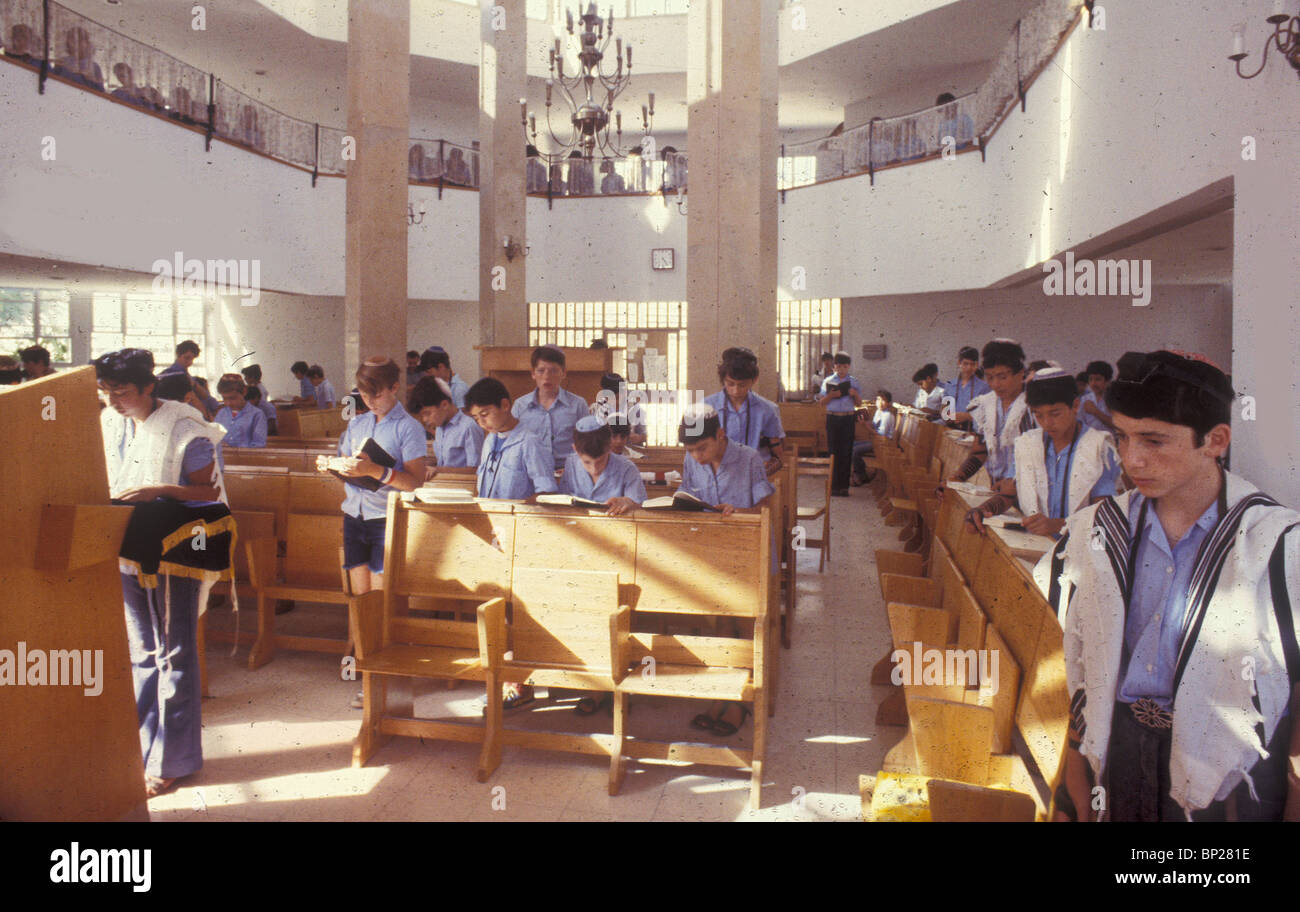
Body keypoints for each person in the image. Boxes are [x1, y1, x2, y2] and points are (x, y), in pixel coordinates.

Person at [1039, 351, 1300, 822]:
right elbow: (1077, 659)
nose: (1131, 458)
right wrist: (1072, 766)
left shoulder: (1275, 542)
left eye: (1154, 440)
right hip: (1118, 745)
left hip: (1228, 770)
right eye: (1122, 436)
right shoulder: (1097, 529)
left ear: (1215, 440)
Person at [94, 348, 230, 798]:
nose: (113, 400)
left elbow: (206, 491)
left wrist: (156, 489)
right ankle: (140, 750)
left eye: (122, 391)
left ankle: (172, 761)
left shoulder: (185, 427)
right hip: (130, 542)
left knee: (173, 650)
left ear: (149, 387)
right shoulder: (110, 422)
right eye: (107, 391)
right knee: (142, 651)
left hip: (181, 541)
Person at [326, 357, 428, 706]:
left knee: (382, 602)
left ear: (394, 388)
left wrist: (377, 471)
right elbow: (345, 460)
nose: (370, 401)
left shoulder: (408, 427)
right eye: (364, 394)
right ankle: (367, 670)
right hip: (354, 515)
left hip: (387, 518)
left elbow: (414, 481)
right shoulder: (358, 424)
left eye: (377, 394)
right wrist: (333, 465)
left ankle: (380, 677)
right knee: (361, 598)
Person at [677, 403, 775, 735]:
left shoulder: (748, 458)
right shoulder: (693, 459)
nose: (697, 456)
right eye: (691, 450)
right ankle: (723, 691)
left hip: (749, 552)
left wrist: (740, 511)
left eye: (701, 447)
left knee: (746, 625)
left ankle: (741, 701)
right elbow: (688, 499)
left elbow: (765, 508)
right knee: (720, 624)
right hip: (712, 552)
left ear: (720, 435)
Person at [963, 369, 1120, 538]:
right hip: (1038, 544)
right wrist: (983, 510)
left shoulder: (1097, 447)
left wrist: (1059, 524)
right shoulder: (1029, 444)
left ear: (1075, 406)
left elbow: (1104, 518)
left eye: (1055, 414)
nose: (1047, 423)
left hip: (1081, 549)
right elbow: (1008, 494)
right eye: (1038, 415)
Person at [948, 339, 1034, 497]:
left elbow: (1035, 459)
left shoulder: (1031, 408)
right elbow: (980, 450)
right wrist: (959, 476)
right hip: (997, 488)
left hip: (1027, 491)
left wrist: (1012, 482)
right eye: (989, 377)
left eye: (1002, 377)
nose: (995, 384)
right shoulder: (987, 404)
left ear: (1020, 373)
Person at [466, 378, 557, 502]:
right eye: (476, 418)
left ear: (505, 405)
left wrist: (518, 508)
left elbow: (547, 493)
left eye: (484, 414)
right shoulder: (489, 441)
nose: (481, 423)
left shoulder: (530, 442)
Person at [703, 347, 786, 476]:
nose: (736, 391)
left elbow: (779, 457)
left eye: (742, 385)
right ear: (722, 379)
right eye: (730, 384)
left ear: (755, 379)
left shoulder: (768, 409)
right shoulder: (704, 407)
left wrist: (762, 473)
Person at [511, 345, 589, 469]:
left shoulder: (578, 405)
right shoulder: (520, 406)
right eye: (541, 371)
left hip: (569, 472)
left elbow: (587, 445)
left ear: (563, 373)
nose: (547, 377)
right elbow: (513, 445)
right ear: (533, 373)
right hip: (531, 473)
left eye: (554, 371)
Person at [559, 415, 646, 515]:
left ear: (609, 446)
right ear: (575, 449)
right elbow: (562, 501)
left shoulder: (628, 469)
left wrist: (630, 503)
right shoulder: (570, 464)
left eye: (600, 461)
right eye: (587, 462)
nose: (594, 470)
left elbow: (640, 506)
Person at [408, 375, 483, 470]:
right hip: (443, 481)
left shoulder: (468, 427)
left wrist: (438, 470)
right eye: (422, 415)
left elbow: (474, 470)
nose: (424, 420)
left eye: (427, 413)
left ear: (444, 405)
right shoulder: (440, 427)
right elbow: (443, 462)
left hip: (460, 483)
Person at [816, 352, 863, 496]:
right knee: (833, 451)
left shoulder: (854, 381)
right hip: (833, 419)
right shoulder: (828, 381)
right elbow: (821, 402)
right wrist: (831, 396)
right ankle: (834, 486)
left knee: (846, 452)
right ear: (834, 366)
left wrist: (854, 394)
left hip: (848, 419)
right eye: (838, 366)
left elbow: (859, 403)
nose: (841, 369)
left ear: (848, 367)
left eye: (844, 366)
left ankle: (844, 487)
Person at [852, 389, 896, 485]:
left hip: (883, 443)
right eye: (878, 399)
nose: (880, 402)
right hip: (875, 441)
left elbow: (881, 435)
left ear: (888, 403)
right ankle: (861, 473)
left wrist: (865, 426)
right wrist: (864, 420)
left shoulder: (888, 415)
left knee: (854, 451)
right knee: (851, 445)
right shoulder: (879, 412)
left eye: (883, 400)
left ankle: (860, 475)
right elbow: (874, 425)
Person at [213, 373, 268, 448]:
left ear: (244, 392)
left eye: (232, 398)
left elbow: (259, 445)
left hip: (246, 458)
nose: (228, 403)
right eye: (224, 398)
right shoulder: (221, 413)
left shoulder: (257, 414)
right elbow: (214, 438)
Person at [943, 346, 991, 424]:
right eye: (965, 364)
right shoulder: (950, 385)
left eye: (972, 364)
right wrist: (946, 416)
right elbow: (944, 411)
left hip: (971, 430)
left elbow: (988, 415)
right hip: (950, 426)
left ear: (977, 364)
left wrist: (968, 416)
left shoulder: (984, 387)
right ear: (959, 363)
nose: (969, 368)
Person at [52, 26, 104, 92]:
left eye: (80, 40)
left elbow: (100, 91)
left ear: (87, 43)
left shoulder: (94, 67)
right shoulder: (62, 62)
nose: (76, 44)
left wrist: (90, 78)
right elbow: (52, 82)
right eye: (72, 40)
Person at [1079, 359, 1116, 433]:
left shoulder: (1114, 399)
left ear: (1108, 381)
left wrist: (1095, 411)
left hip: (1110, 441)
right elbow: (1079, 424)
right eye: (1090, 379)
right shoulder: (1084, 399)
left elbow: (1118, 426)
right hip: (1089, 441)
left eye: (1098, 379)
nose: (1093, 383)